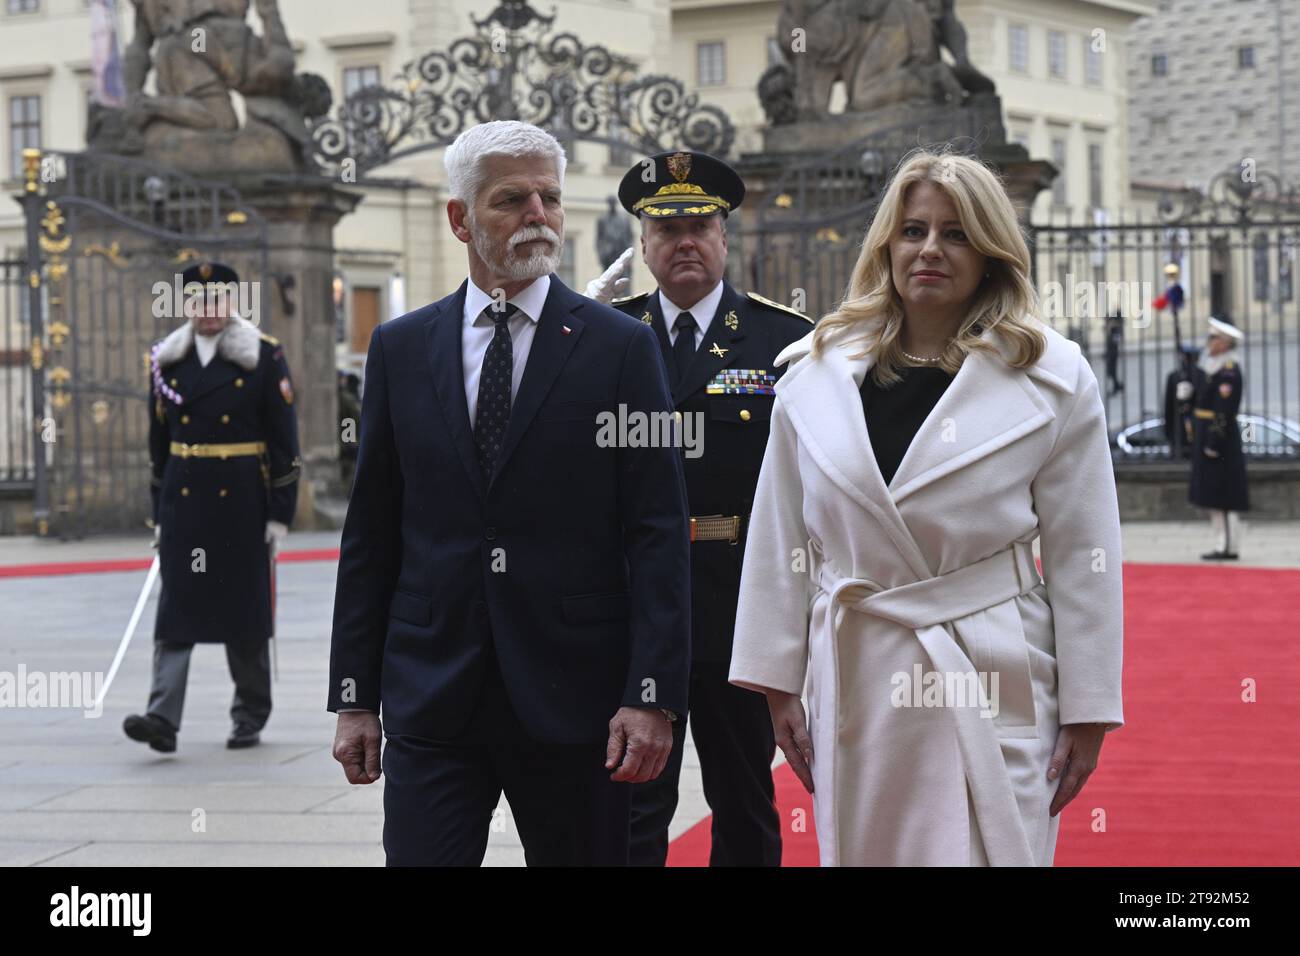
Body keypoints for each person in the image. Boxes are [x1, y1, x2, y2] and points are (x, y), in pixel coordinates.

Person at [728, 149, 1125, 866]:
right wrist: (776, 682)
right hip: (859, 662)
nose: (931, 250)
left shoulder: (1052, 378)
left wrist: (1088, 709)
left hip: (993, 658)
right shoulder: (813, 373)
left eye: (957, 233)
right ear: (887, 243)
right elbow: (777, 536)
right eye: (913, 231)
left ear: (991, 252)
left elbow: (1084, 554)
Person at [326, 120, 692, 866]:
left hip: (579, 699)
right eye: (512, 199)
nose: (538, 215)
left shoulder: (622, 348)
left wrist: (652, 694)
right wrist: (355, 696)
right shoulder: (400, 349)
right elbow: (372, 531)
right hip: (434, 694)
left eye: (550, 198)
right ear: (459, 217)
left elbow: (656, 530)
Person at [592, 150, 811, 867]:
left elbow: (813, 480)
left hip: (738, 596)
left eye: (700, 226)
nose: (684, 242)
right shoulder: (604, 337)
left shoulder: (785, 341)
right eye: (667, 230)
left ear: (725, 239)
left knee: (743, 791)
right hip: (632, 602)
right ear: (645, 247)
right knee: (631, 793)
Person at [124, 260, 301, 753]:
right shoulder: (167, 359)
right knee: (175, 612)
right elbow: (158, 447)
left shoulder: (262, 357)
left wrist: (279, 514)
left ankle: (249, 713)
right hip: (184, 502)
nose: (208, 310)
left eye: (218, 300)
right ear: (185, 305)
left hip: (241, 502)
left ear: (233, 303)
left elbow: (285, 443)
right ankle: (162, 717)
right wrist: (158, 513)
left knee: (242, 614)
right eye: (198, 302)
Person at [1190, 316, 1248, 560]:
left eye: (1214, 338)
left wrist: (1213, 441)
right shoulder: (1212, 366)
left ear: (1224, 343)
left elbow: (1224, 409)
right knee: (1212, 493)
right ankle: (1223, 543)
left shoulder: (1228, 370)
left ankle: (1226, 545)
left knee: (1222, 494)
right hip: (1208, 432)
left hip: (1219, 438)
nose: (1209, 342)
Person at [1163, 344, 1203, 458]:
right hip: (1198, 426)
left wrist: (1168, 431)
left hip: (1177, 428)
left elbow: (1168, 406)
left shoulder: (1174, 376)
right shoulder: (1202, 375)